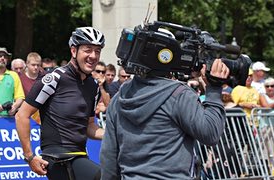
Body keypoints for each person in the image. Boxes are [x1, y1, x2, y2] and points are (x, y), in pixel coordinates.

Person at [100, 57, 230, 179]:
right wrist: (214, 88)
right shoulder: (179, 95)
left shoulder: (119, 98)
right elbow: (210, 132)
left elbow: (109, 156)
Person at [15, 26, 105, 180]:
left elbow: (89, 126)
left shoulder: (94, 86)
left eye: (97, 51)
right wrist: (30, 157)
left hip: (80, 155)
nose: (93, 55)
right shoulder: (54, 78)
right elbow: (21, 115)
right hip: (57, 157)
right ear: (73, 51)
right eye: (88, 50)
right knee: (105, 177)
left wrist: (112, 134)